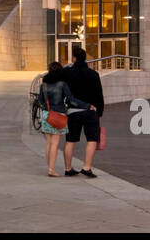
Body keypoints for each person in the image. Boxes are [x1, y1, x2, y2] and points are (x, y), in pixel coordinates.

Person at [37, 61, 94, 177]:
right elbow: (71, 100)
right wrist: (87, 105)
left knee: (48, 142)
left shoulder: (44, 85)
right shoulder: (62, 84)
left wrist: (46, 109)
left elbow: (41, 100)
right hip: (58, 116)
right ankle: (51, 169)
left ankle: (50, 167)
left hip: (46, 114)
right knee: (55, 144)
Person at [62, 47, 105, 178]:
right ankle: (86, 168)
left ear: (73, 58)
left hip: (72, 111)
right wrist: (100, 112)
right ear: (85, 58)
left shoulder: (67, 72)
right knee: (92, 139)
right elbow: (99, 95)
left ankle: (68, 168)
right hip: (90, 111)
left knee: (70, 141)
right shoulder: (93, 74)